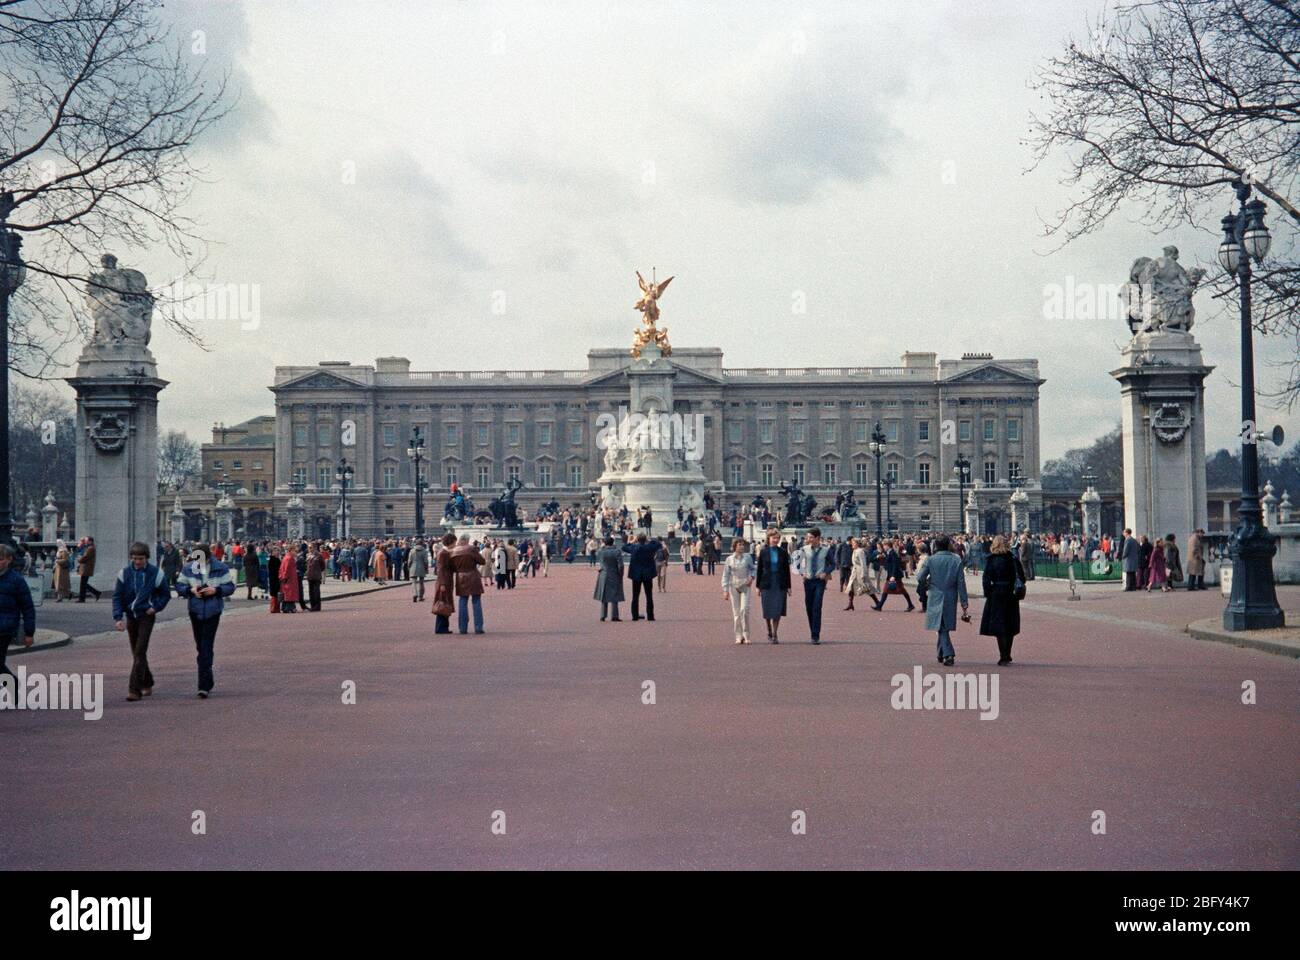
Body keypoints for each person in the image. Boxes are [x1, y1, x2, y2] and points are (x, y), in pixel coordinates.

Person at [174, 544, 236, 698]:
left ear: (208, 557)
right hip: (195, 610)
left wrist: (216, 590)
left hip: (212, 610)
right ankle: (207, 678)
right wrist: (191, 591)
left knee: (206, 645)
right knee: (200, 647)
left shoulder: (220, 567)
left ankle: (203, 686)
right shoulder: (189, 567)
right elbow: (180, 585)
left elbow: (230, 586)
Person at [112, 542, 170, 701]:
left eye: (141, 559)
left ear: (146, 558)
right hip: (131, 616)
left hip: (146, 615)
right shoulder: (124, 574)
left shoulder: (156, 573)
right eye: (135, 558)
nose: (138, 562)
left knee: (139, 651)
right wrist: (118, 617)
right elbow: (117, 596)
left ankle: (134, 689)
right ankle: (147, 681)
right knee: (137, 652)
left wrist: (155, 607)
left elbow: (165, 594)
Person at [916, 535, 969, 667]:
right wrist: (964, 602)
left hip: (935, 594)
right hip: (951, 595)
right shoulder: (956, 560)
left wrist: (928, 584)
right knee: (942, 625)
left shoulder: (931, 559)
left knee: (941, 625)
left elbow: (920, 577)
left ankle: (948, 654)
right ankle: (941, 653)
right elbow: (961, 583)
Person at [979, 534, 1024, 666]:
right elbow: (1022, 577)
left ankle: (1003, 655)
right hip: (1011, 593)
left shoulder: (991, 560)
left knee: (999, 626)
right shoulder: (1013, 559)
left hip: (997, 593)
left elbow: (986, 580)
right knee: (1010, 624)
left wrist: (988, 593)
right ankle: (1007, 654)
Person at [0, 543, 36, 688]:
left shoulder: (16, 580)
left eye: (1, 559)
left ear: (9, 560)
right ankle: (12, 685)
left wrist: (29, 632)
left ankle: (12, 684)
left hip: (5, 628)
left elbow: (27, 607)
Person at [795, 528, 835, 644]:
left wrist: (826, 572)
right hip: (808, 581)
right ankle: (812, 628)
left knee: (817, 607)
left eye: (811, 537)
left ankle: (815, 635)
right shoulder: (804, 549)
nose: (808, 539)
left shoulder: (826, 550)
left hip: (819, 581)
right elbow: (797, 564)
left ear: (817, 538)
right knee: (809, 606)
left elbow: (833, 564)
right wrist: (802, 573)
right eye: (808, 537)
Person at [448, 535, 487, 634]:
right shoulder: (471, 549)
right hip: (473, 576)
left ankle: (463, 627)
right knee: (476, 601)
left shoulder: (454, 551)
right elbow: (482, 561)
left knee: (462, 602)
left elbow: (451, 567)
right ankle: (478, 627)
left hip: (461, 577)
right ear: (466, 540)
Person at [721, 536, 756, 644]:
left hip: (746, 585)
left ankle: (746, 635)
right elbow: (726, 575)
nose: (741, 547)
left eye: (743, 545)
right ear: (734, 546)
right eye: (739, 544)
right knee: (736, 613)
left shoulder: (748, 557)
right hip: (734, 586)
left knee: (744, 610)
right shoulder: (729, 559)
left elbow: (753, 569)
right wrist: (725, 589)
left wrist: (752, 577)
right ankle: (738, 635)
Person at [623, 533, 659, 621]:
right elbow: (658, 544)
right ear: (645, 539)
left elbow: (624, 547)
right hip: (647, 574)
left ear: (638, 540)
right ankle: (650, 616)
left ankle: (634, 616)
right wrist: (649, 540)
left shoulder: (634, 547)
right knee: (649, 596)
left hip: (636, 574)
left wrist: (632, 541)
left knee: (635, 596)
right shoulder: (649, 547)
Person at [873, 540, 915, 612]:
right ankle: (910, 605)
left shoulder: (893, 553)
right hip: (891, 574)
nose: (883, 547)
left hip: (895, 575)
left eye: (884, 545)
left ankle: (879, 606)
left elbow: (895, 565)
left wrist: (893, 576)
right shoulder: (888, 553)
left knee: (890, 590)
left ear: (887, 545)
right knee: (896, 590)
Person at [594, 536, 625, 622]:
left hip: (604, 574)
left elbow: (600, 562)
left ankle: (603, 615)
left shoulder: (601, 551)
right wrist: (621, 574)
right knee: (614, 595)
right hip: (614, 573)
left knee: (604, 595)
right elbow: (621, 565)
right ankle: (614, 615)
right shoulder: (617, 552)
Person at [431, 532, 457, 634]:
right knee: (443, 604)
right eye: (454, 542)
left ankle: (443, 627)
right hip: (444, 581)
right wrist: (442, 584)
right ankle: (441, 627)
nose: (455, 544)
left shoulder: (444, 552)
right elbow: (441, 570)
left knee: (445, 603)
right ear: (450, 542)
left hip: (446, 581)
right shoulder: (443, 553)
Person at [76, 536, 102, 602]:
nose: (86, 541)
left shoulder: (90, 548)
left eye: (87, 540)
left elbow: (85, 557)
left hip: (86, 567)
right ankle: (96, 593)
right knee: (84, 584)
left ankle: (82, 599)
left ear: (90, 541)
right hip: (86, 567)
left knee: (83, 584)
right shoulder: (90, 548)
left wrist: (79, 559)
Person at [306, 543, 325, 611]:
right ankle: (312, 606)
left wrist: (317, 571)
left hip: (316, 576)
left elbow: (323, 566)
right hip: (310, 576)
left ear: (314, 548)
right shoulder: (308, 555)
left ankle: (317, 606)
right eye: (309, 547)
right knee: (311, 592)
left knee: (316, 592)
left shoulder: (318, 555)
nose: (309, 549)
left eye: (311, 547)